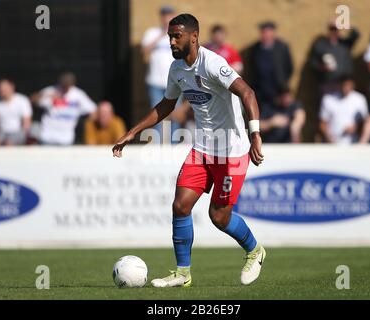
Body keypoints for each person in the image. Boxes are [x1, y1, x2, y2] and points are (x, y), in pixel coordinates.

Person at [113, 14, 266, 287]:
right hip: (202, 149)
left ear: (193, 37)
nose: (171, 41)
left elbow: (248, 93)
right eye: (170, 36)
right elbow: (166, 105)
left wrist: (255, 134)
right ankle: (183, 273)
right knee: (180, 206)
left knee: (219, 217)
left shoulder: (214, 63)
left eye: (176, 36)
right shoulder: (176, 69)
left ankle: (255, 251)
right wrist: (132, 132)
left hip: (232, 152)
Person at [141, 5, 181, 142]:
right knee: (156, 116)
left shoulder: (179, 35)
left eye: (169, 15)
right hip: (155, 82)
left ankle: (174, 144)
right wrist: (161, 34)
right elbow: (144, 51)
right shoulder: (152, 33)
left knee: (175, 116)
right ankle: (158, 145)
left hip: (175, 82)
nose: (166, 18)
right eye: (164, 15)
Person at [34, 72, 96, 145]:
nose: (66, 88)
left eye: (68, 85)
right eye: (64, 85)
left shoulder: (78, 95)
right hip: (47, 137)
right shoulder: (51, 90)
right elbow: (33, 100)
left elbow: (93, 111)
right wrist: (47, 95)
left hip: (66, 139)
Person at [249, 21, 293, 116]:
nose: (266, 35)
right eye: (264, 32)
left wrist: (284, 88)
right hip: (261, 93)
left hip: (278, 92)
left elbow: (289, 68)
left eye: (268, 32)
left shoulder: (282, 47)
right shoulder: (255, 49)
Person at [310, 21, 359, 94]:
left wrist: (345, 25)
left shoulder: (344, 44)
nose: (334, 32)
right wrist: (323, 67)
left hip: (345, 84)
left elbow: (356, 34)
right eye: (332, 29)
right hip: (329, 84)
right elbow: (313, 64)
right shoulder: (321, 45)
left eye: (336, 29)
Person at [319, 76, 368, 144]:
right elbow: (323, 123)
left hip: (353, 144)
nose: (346, 88)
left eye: (349, 85)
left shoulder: (360, 99)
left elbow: (365, 122)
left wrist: (355, 128)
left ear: (353, 85)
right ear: (339, 85)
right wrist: (329, 138)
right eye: (344, 85)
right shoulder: (328, 99)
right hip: (332, 144)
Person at [0, 79, 32, 146]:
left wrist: (24, 138)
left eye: (5, 88)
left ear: (12, 87)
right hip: (1, 132)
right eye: (0, 88)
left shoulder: (22, 100)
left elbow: (27, 122)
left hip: (17, 132)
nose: (2, 90)